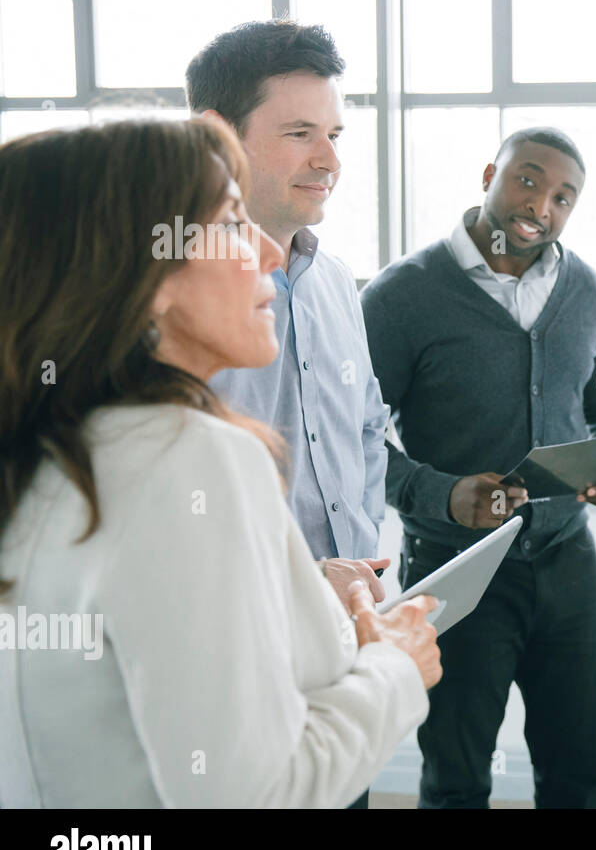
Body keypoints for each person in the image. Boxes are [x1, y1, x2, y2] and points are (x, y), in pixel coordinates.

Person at [0, 118, 441, 808]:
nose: (269, 252)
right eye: (234, 224)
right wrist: (395, 665)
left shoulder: (55, 449)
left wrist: (297, 596)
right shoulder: (192, 455)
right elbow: (251, 795)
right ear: (143, 273)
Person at [360, 127, 596, 808]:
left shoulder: (587, 292)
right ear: (490, 173)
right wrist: (444, 494)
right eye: (527, 179)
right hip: (453, 572)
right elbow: (358, 443)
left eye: (563, 197)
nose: (541, 204)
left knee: (580, 772)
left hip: (567, 563)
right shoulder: (401, 296)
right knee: (455, 781)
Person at [185, 21, 390, 808]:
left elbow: (365, 430)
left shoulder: (338, 283)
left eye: (334, 133)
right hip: (232, 650)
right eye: (300, 133)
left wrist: (359, 555)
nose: (330, 161)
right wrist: (304, 580)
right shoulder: (164, 299)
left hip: (342, 637)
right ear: (218, 138)